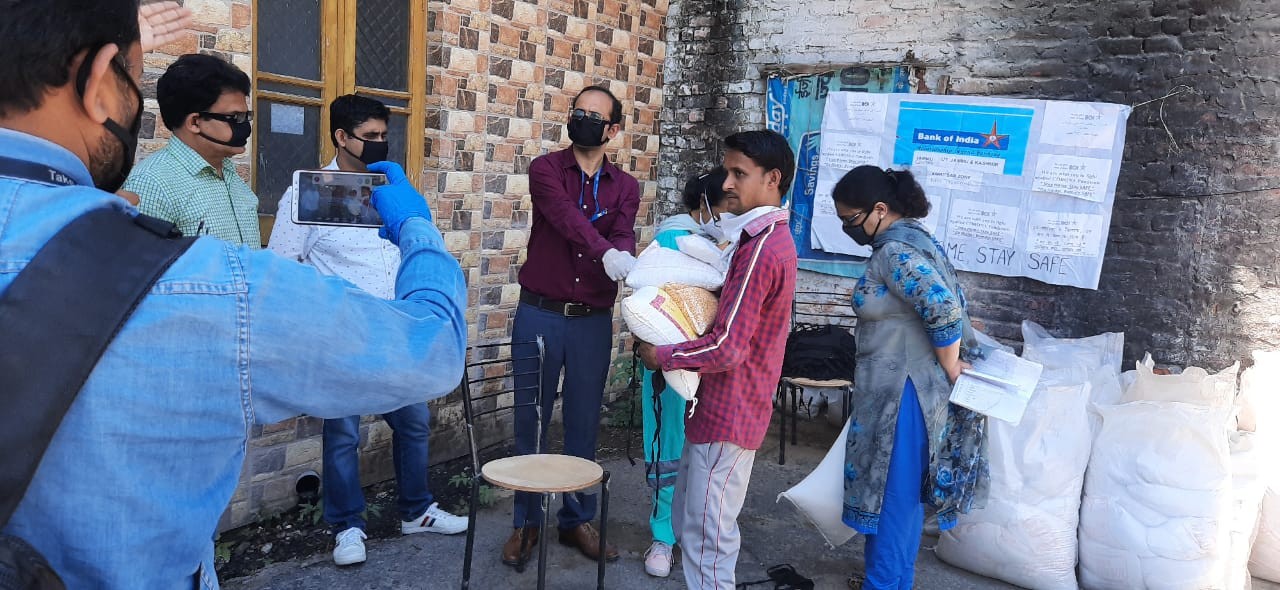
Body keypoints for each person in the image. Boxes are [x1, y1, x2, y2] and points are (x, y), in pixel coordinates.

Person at [0, 2, 466, 587]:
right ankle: (347, 523)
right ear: (96, 82)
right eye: (135, 80)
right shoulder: (187, 242)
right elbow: (434, 348)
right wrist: (417, 229)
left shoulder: (233, 198)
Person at [269, 94, 467, 567]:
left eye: (384, 135)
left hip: (396, 327)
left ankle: (416, 511)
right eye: (369, 136)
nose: (380, 144)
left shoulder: (391, 187)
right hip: (342, 334)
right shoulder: (308, 193)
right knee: (343, 435)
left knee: (414, 422)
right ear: (341, 136)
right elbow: (281, 263)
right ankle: (347, 526)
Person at [637, 130, 798, 590]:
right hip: (723, 408)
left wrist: (661, 353)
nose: (726, 183)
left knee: (709, 543)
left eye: (738, 174)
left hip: (731, 410)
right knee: (700, 530)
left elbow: (727, 346)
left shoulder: (763, 248)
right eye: (726, 171)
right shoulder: (757, 239)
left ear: (773, 179)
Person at [830, 165, 989, 590]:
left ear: (880, 209)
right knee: (903, 503)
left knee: (889, 501)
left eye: (851, 219)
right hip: (909, 392)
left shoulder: (894, 252)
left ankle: (883, 585)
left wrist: (953, 366)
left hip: (902, 396)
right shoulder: (915, 240)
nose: (849, 228)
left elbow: (942, 308)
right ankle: (896, 583)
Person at [502, 85, 640, 567]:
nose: (583, 119)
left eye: (594, 115)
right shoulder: (546, 170)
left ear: (613, 130)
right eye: (578, 112)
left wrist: (624, 253)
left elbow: (622, 233)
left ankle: (576, 519)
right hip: (539, 313)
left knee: (583, 423)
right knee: (530, 421)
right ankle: (526, 523)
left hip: (590, 323)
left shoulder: (625, 186)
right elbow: (564, 219)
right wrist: (606, 252)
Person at [637, 166, 731, 578]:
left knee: (707, 457)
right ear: (704, 203)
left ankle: (699, 532)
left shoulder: (727, 245)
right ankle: (663, 535)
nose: (734, 208)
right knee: (669, 449)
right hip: (669, 367)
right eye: (726, 202)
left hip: (714, 365)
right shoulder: (673, 241)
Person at [124, 53, 260, 246]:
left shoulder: (229, 173)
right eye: (234, 117)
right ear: (195, 122)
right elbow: (142, 269)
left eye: (247, 117)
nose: (245, 126)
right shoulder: (151, 185)